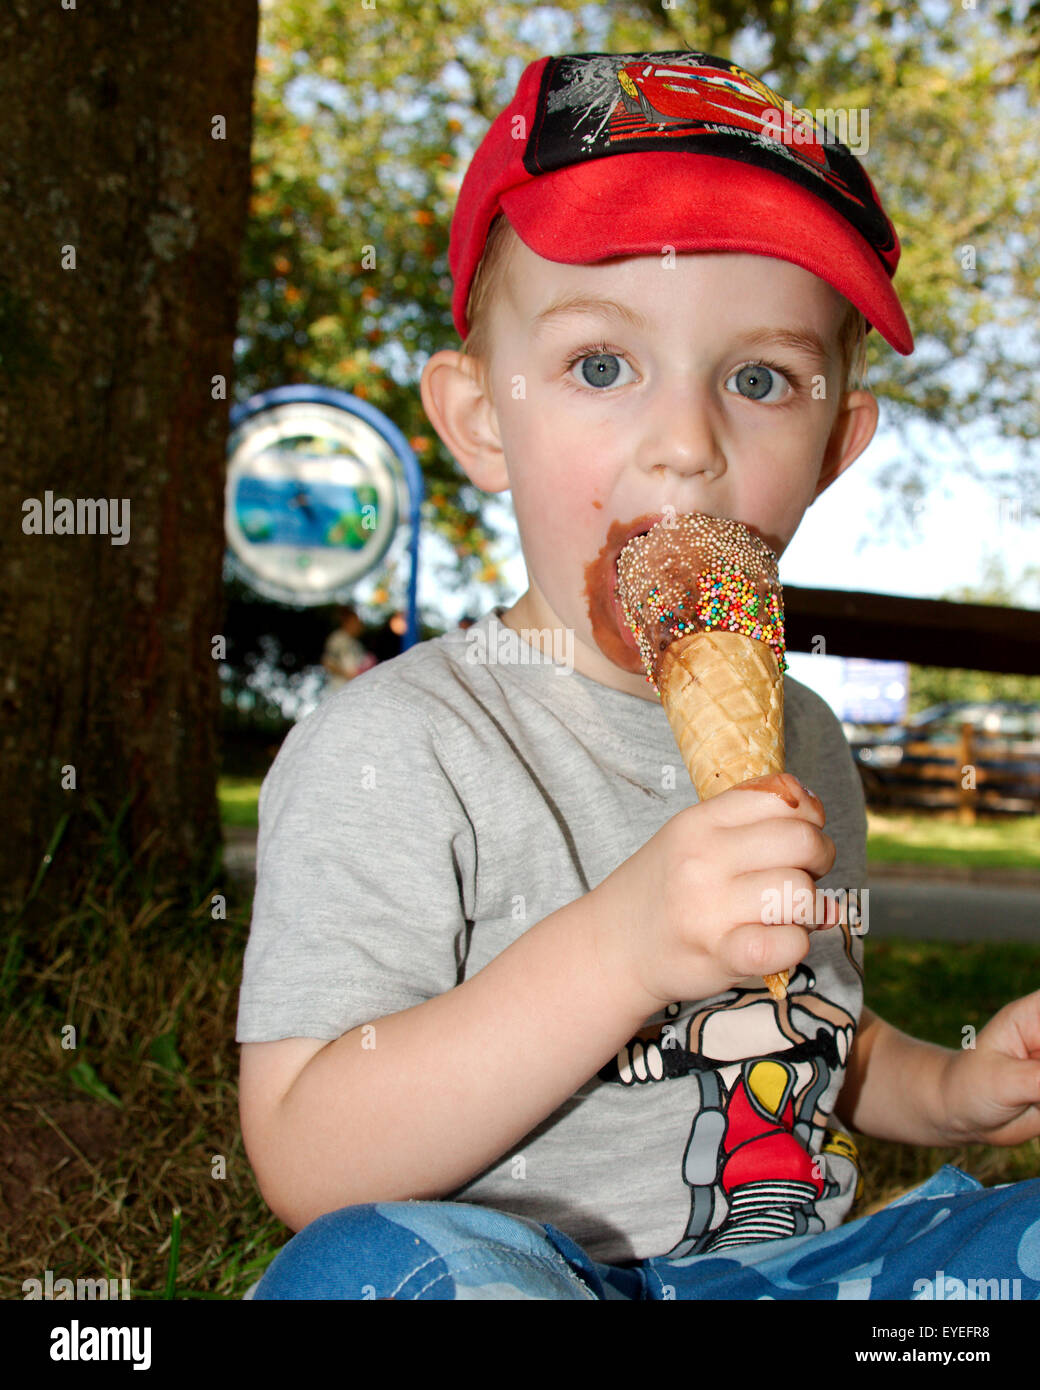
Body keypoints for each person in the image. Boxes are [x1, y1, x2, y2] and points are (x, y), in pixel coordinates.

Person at [236, 51, 1040, 1300]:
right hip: (515, 1270)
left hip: (794, 1274)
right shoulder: (395, 747)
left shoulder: (803, 737)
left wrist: (953, 1087)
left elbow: (809, 1027)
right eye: (601, 367)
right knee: (360, 1276)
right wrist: (622, 948)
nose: (685, 446)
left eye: (759, 379)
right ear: (480, 419)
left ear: (833, 448)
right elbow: (305, 1148)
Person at [320, 604, 376, 695]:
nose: (359, 626)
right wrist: (346, 675)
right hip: (339, 688)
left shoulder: (357, 645)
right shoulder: (337, 639)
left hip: (355, 688)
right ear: (347, 622)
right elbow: (327, 662)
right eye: (356, 622)